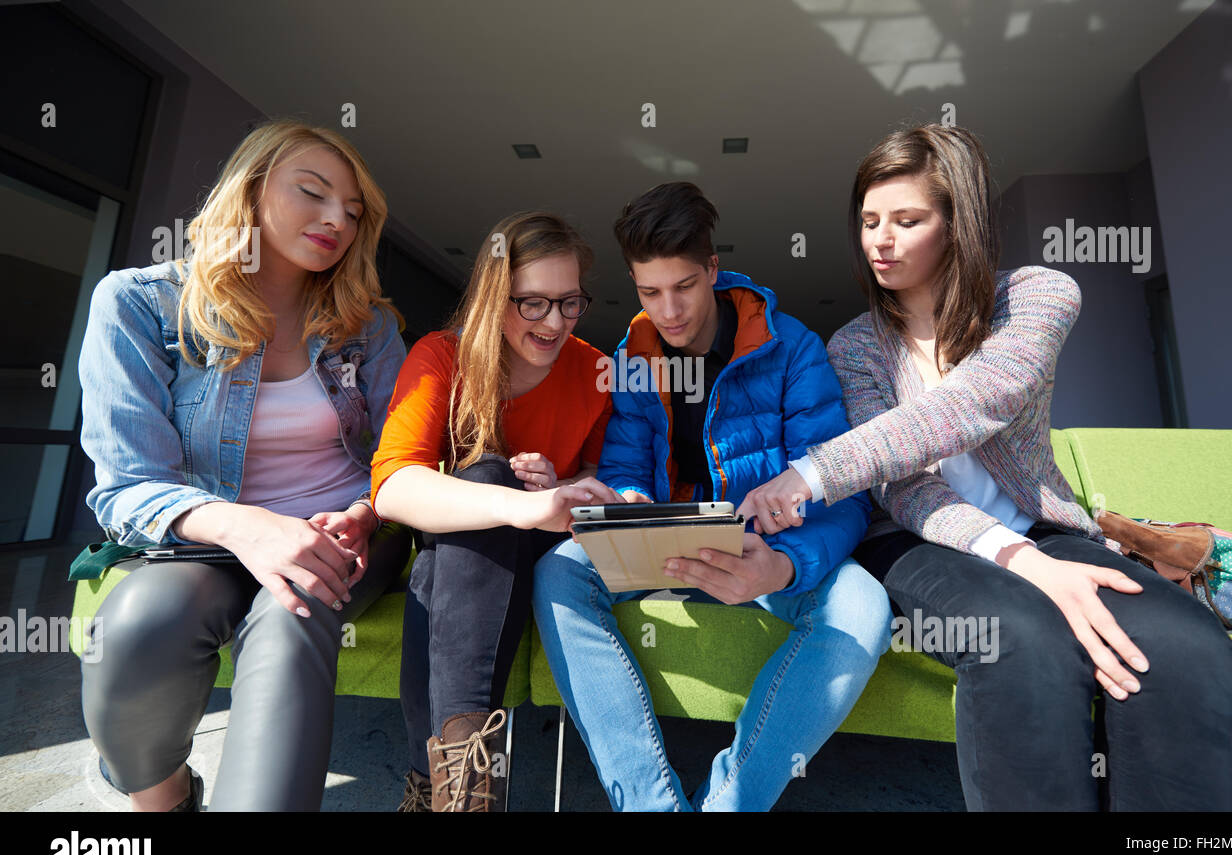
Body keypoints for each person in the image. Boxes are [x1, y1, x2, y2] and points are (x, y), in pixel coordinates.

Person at [744, 124, 1232, 810]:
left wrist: (809, 474)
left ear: (959, 224)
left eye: (907, 219)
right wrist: (1023, 563)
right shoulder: (854, 347)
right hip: (917, 539)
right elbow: (903, 481)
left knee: (1186, 645)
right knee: (1016, 637)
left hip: (1042, 526)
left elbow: (971, 404)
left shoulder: (1039, 296)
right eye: (868, 221)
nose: (880, 240)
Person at [77, 119, 412, 811]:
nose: (335, 220)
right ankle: (166, 799)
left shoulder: (370, 327)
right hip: (206, 536)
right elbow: (127, 486)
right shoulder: (139, 303)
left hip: (342, 532)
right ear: (250, 188)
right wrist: (250, 529)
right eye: (313, 193)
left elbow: (400, 455)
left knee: (293, 612)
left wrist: (363, 511)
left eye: (353, 213)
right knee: (139, 623)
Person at [531, 182, 893, 811]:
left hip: (766, 553)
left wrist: (781, 563)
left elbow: (843, 493)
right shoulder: (635, 357)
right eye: (649, 292)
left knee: (863, 606)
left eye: (684, 287)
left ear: (713, 271)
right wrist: (630, 500)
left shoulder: (793, 349)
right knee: (558, 574)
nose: (668, 311)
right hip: (666, 546)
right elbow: (625, 464)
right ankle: (650, 805)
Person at [371, 210, 620, 811]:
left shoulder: (595, 369)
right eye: (532, 303)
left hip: (547, 548)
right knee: (480, 481)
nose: (554, 322)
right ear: (493, 294)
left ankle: (434, 789)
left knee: (481, 486)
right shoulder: (442, 355)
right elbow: (393, 486)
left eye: (569, 302)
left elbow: (602, 474)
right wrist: (519, 505)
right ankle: (466, 795)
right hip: (460, 555)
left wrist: (561, 485)